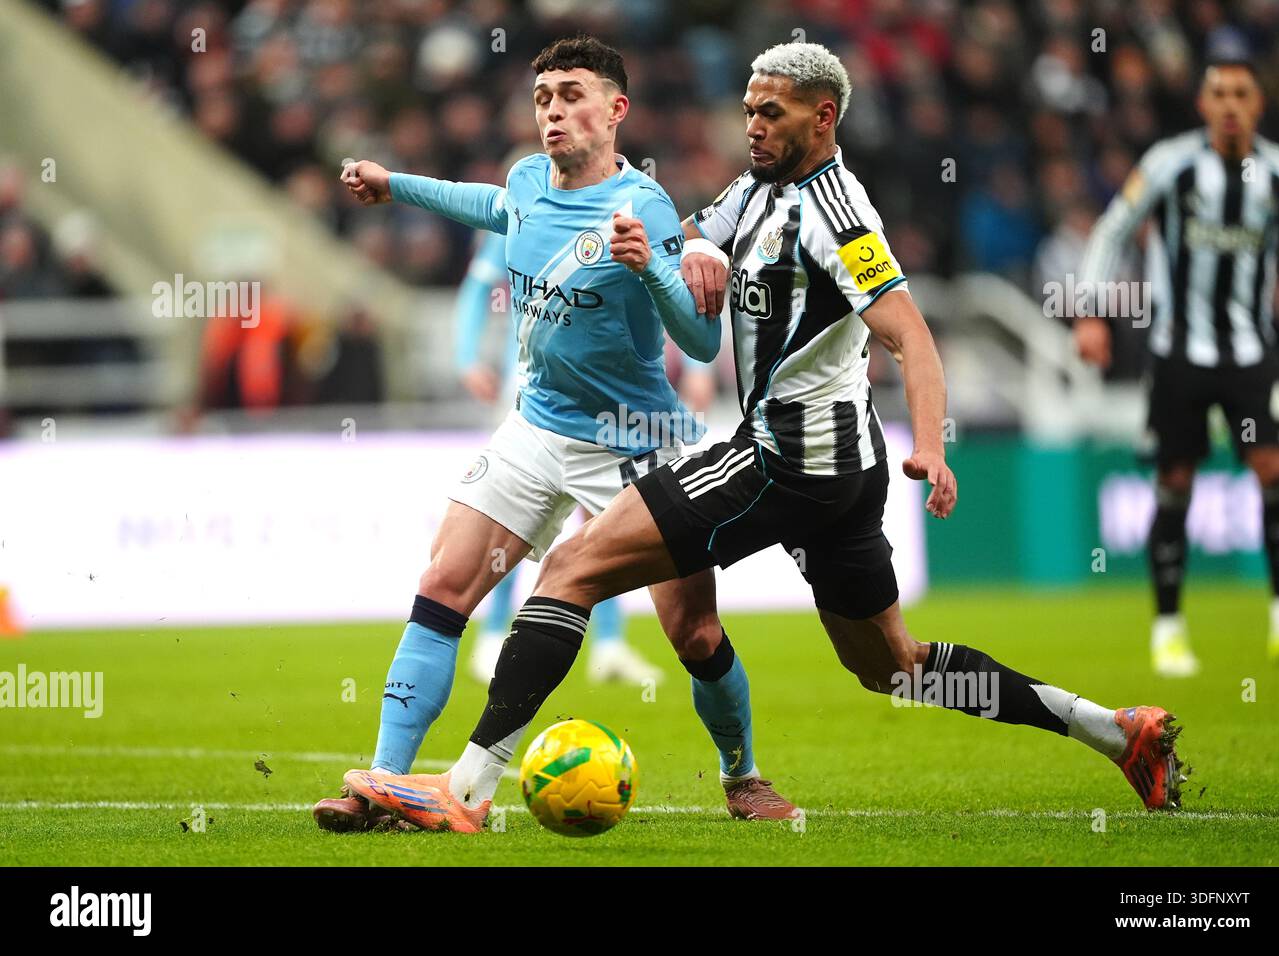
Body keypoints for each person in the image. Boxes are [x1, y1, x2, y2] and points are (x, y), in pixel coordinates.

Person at [346, 42, 1186, 834]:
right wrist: (697, 251)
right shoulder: (757, 187)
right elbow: (700, 229)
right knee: (894, 664)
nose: (752, 127)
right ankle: (1118, 733)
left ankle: (464, 791)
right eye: (749, 110)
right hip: (843, 473)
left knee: (571, 570)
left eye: (772, 114)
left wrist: (932, 442)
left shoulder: (836, 215)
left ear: (823, 118)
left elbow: (912, 337)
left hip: (786, 463)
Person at [313, 35, 798, 832]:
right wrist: (393, 184)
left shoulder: (643, 206)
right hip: (538, 426)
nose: (553, 112)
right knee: (443, 585)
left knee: (694, 631)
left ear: (616, 109)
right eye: (542, 99)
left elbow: (703, 344)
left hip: (640, 440)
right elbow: (488, 206)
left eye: (571, 95)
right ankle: (387, 784)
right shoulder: (529, 180)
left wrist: (650, 271)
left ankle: (743, 776)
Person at [1075, 60, 1279, 675]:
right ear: (1203, 104)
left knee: (1274, 469)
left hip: (1253, 354)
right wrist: (1090, 312)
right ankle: (1169, 631)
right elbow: (1111, 228)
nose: (1229, 104)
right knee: (1175, 481)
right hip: (1178, 355)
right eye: (1218, 93)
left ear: (1258, 105)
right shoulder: (1172, 162)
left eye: (1241, 93)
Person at [452, 223, 662, 686]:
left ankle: (608, 643)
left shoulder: (615, 216)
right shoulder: (524, 212)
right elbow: (478, 287)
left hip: (601, 391)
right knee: (513, 516)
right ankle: (492, 635)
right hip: (530, 388)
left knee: (609, 519)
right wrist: (468, 356)